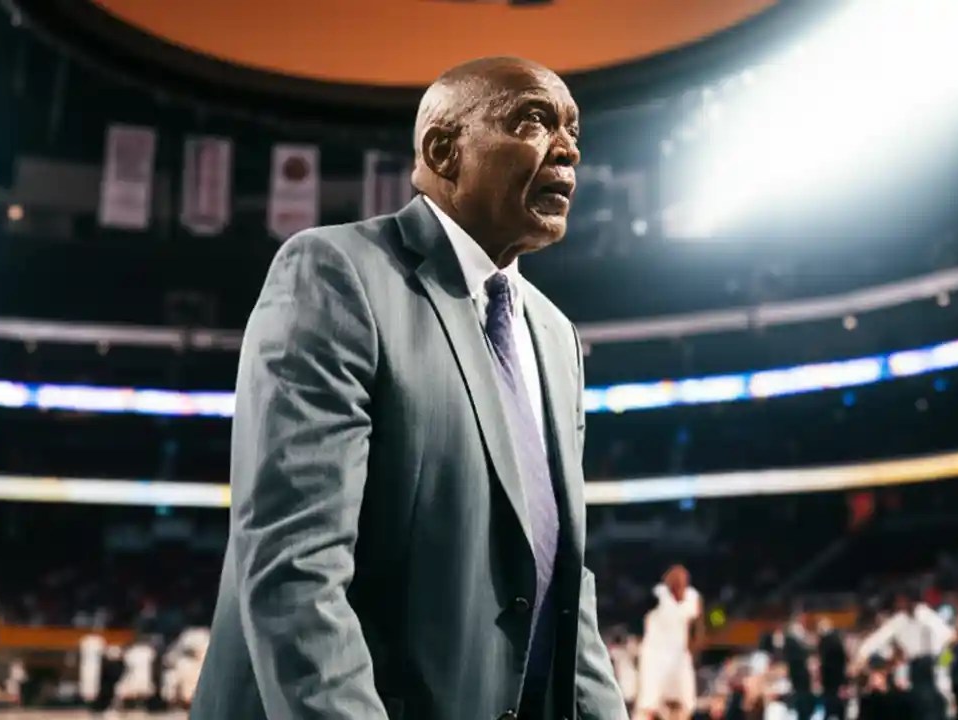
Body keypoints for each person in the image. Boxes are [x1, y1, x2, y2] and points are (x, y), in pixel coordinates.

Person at [191, 56, 625, 720]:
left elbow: (565, 583)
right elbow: (296, 572)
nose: (567, 149)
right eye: (535, 122)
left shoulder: (555, 334)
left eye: (572, 129)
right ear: (443, 150)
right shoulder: (337, 274)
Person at [854, 593, 954, 720]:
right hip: (917, 679)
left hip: (931, 676)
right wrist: (863, 654)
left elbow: (950, 640)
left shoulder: (925, 615)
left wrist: (941, 666)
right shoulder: (901, 620)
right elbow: (877, 640)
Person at [634, 566, 703, 720]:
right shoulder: (657, 595)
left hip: (679, 656)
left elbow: (698, 627)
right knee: (647, 706)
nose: (679, 584)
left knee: (685, 705)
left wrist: (694, 650)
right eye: (675, 581)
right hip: (654, 655)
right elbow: (637, 614)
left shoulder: (692, 597)